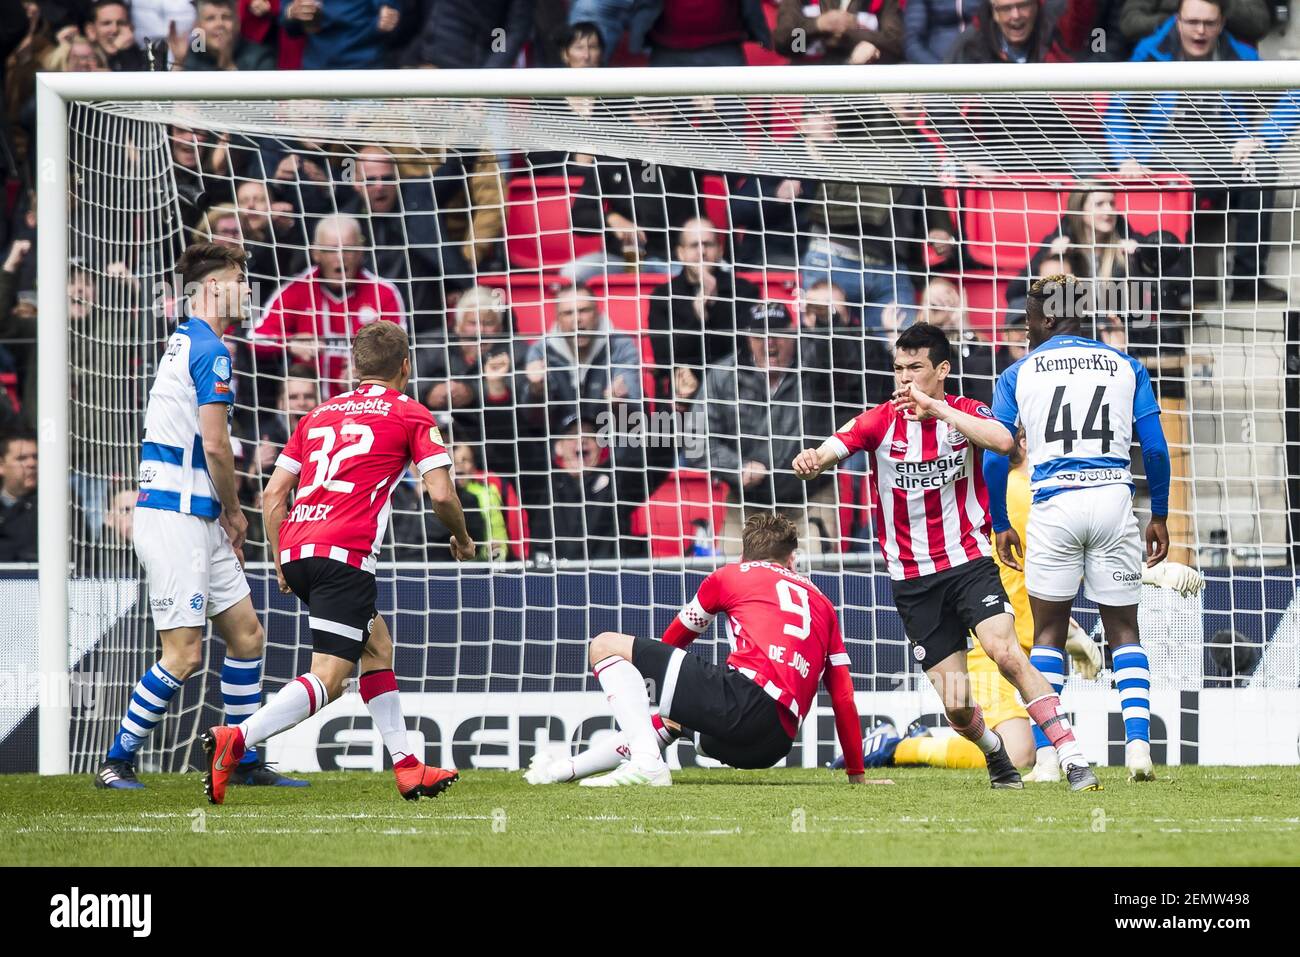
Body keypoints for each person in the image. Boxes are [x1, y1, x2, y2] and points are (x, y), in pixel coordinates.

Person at [793, 322, 1102, 791]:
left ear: (942, 370)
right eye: (899, 369)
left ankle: (1073, 756)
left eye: (915, 369)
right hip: (915, 580)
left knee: (1006, 653)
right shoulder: (880, 421)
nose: (905, 380)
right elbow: (838, 444)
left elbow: (1002, 440)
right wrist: (813, 458)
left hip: (970, 565)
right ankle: (996, 756)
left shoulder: (962, 412)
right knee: (957, 704)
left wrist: (935, 409)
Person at [202, 321, 476, 805]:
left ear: (355, 367)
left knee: (377, 644)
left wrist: (282, 559)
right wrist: (462, 536)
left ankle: (408, 767)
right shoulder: (411, 414)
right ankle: (237, 738)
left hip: (298, 546)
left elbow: (271, 494)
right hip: (344, 554)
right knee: (329, 677)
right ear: (406, 367)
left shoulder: (318, 416)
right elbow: (440, 492)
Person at [96, 244, 300, 790]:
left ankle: (241, 758)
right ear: (213, 287)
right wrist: (237, 512)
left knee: (248, 636)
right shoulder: (210, 349)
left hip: (194, 514)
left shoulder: (185, 339)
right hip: (177, 518)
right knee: (183, 654)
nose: (247, 290)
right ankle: (116, 760)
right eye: (239, 279)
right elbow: (215, 445)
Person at [984, 273, 1171, 782]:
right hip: (1113, 498)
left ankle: (1048, 756)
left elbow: (997, 455)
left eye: (1027, 319)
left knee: (1046, 635)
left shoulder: (1018, 373)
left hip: (1054, 502)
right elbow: (1153, 448)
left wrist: (1001, 521)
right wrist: (1160, 514)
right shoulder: (1125, 365)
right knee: (1124, 631)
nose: (1025, 330)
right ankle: (1138, 749)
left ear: (1047, 318)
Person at [524, 512, 866, 786]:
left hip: (743, 704)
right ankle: (562, 771)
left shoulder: (730, 575)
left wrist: (636, 681)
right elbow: (843, 697)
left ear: (745, 555)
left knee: (604, 645)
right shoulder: (824, 604)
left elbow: (673, 641)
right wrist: (856, 774)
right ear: (793, 559)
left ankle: (647, 765)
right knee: (670, 720)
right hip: (772, 744)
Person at [1105, 0, 1292, 303]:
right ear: (1178, 20)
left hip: (1223, 152)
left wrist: (1261, 138)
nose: (1200, 31)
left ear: (1221, 23)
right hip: (1166, 152)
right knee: (1180, 174)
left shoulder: (1237, 55)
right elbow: (1116, 112)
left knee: (1263, 169)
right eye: (1192, 22)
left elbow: (1294, 91)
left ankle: (1248, 281)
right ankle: (1177, 285)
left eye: (1209, 23)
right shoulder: (1151, 52)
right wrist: (1126, 157)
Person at [691, 301, 838, 555]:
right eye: (760, 335)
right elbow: (696, 439)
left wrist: (829, 324)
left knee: (819, 574)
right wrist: (736, 467)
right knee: (734, 577)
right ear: (748, 337)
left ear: (793, 332)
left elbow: (854, 367)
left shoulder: (820, 366)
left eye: (778, 334)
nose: (769, 343)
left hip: (810, 497)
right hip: (747, 502)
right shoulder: (723, 375)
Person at [250, 214, 406, 397]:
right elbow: (255, 338)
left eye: (348, 249)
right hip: (309, 405)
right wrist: (290, 342)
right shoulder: (296, 290)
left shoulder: (384, 293)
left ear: (361, 251)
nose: (340, 258)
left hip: (367, 402)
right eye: (331, 250)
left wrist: (368, 374)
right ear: (316, 253)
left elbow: (399, 353)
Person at [773, 0, 904, 64]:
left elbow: (896, 44)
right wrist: (817, 25)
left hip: (862, 88)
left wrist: (851, 34)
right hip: (808, 86)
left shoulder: (881, 2)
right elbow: (786, 44)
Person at [175, 0, 275, 70]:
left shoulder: (260, 57)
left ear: (237, 23)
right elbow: (178, 99)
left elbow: (263, 99)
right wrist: (179, 62)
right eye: (210, 18)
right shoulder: (192, 56)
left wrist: (228, 65)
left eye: (226, 17)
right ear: (198, 26)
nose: (219, 24)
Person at [0, 430, 37, 561]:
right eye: (22, 458)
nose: (32, 464)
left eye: (35, 457)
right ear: (1, 465)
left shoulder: (57, 504)